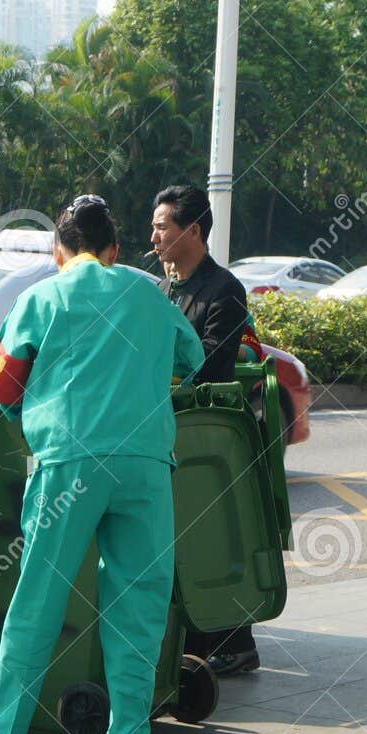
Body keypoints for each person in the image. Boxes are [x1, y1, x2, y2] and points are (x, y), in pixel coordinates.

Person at [0, 196, 204, 734]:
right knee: (140, 602)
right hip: (146, 466)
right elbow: (194, 357)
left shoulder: (42, 297)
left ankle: (4, 731)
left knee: (39, 596)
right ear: (115, 250)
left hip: (69, 466)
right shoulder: (148, 294)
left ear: (58, 249)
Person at [150, 182, 261, 676]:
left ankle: (235, 640)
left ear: (192, 230)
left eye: (161, 227)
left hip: (207, 432)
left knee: (209, 535)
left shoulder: (225, 290)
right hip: (165, 429)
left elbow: (211, 364)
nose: (153, 238)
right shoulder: (164, 288)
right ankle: (188, 638)